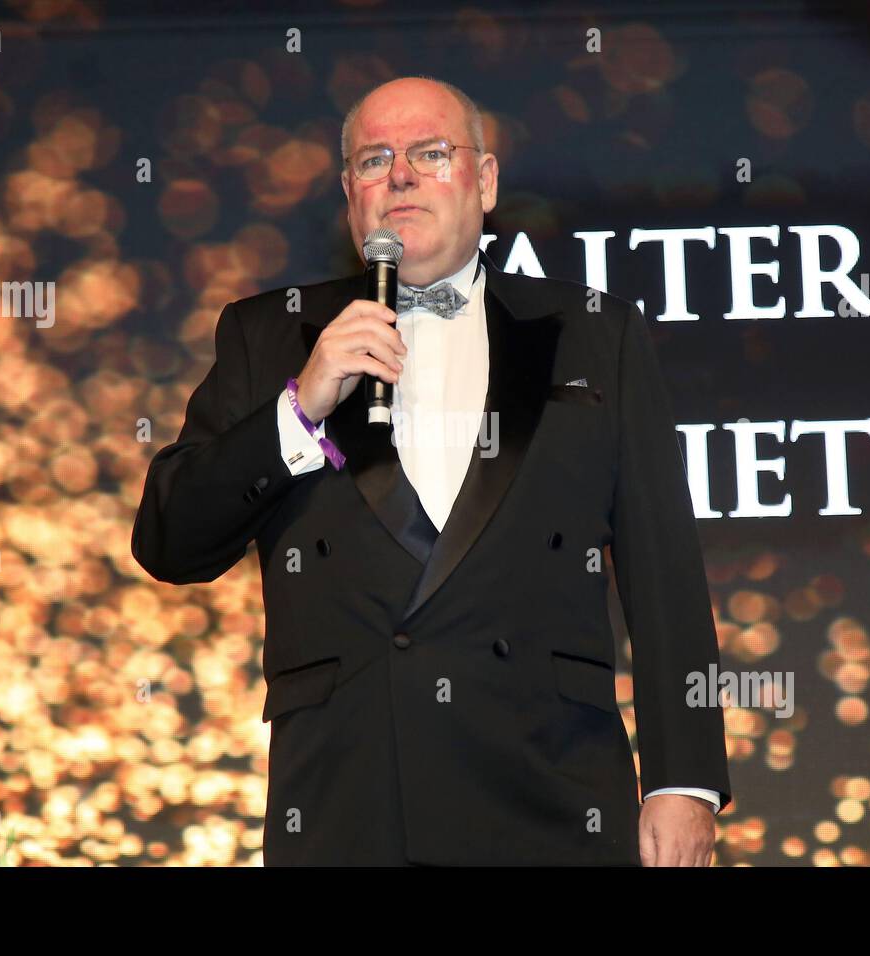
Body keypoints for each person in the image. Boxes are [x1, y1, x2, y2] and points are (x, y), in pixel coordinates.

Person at [131, 76, 731, 866]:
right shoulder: (268, 336)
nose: (402, 175)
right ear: (351, 195)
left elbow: (665, 574)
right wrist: (299, 408)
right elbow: (171, 541)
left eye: (430, 153)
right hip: (350, 802)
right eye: (375, 159)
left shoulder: (596, 335)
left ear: (484, 181)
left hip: (553, 796)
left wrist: (682, 781)